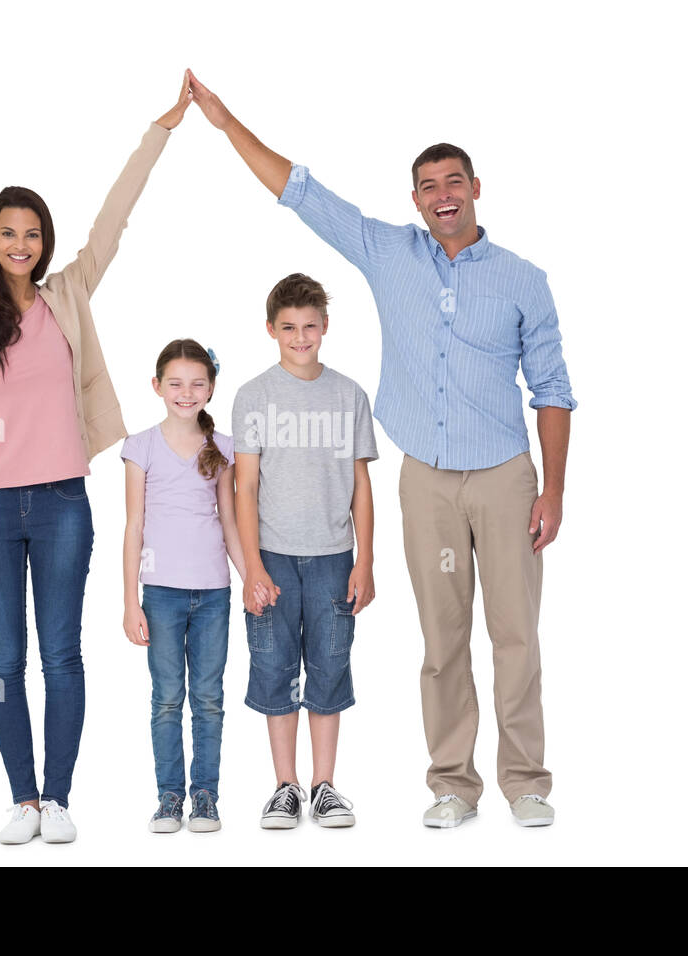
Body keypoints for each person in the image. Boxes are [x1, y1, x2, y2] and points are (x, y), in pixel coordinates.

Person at [189, 70, 577, 829]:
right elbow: (300, 191)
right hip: (425, 480)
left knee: (515, 633)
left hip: (503, 475)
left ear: (475, 188)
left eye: (454, 181)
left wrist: (552, 489)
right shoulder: (387, 251)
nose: (442, 194)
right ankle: (451, 786)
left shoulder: (524, 280)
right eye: (428, 184)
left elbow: (554, 388)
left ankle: (526, 781)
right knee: (442, 637)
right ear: (415, 200)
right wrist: (226, 121)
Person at [0, 72, 191, 844]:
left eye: (33, 234)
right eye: (9, 233)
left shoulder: (66, 296)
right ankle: (23, 799)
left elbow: (114, 220)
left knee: (62, 654)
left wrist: (161, 130)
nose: (21, 244)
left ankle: (61, 797)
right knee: (4, 654)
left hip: (62, 504)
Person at [231, 273, 378, 829]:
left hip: (334, 555)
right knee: (272, 667)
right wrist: (251, 568)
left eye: (309, 326)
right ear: (271, 330)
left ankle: (325, 786)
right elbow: (244, 487)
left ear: (325, 327)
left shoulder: (349, 395)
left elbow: (362, 485)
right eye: (288, 327)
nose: (300, 337)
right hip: (272, 556)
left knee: (330, 664)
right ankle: (284, 786)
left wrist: (365, 560)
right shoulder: (254, 396)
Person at [120, 339, 268, 833]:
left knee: (207, 697)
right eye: (176, 383)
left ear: (210, 388)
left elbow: (229, 520)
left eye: (197, 383)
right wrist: (129, 602)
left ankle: (205, 796)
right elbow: (134, 525)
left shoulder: (223, 447)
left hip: (212, 594)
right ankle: (168, 799)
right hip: (159, 593)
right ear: (157, 386)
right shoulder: (139, 446)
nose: (187, 393)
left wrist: (251, 579)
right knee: (166, 698)